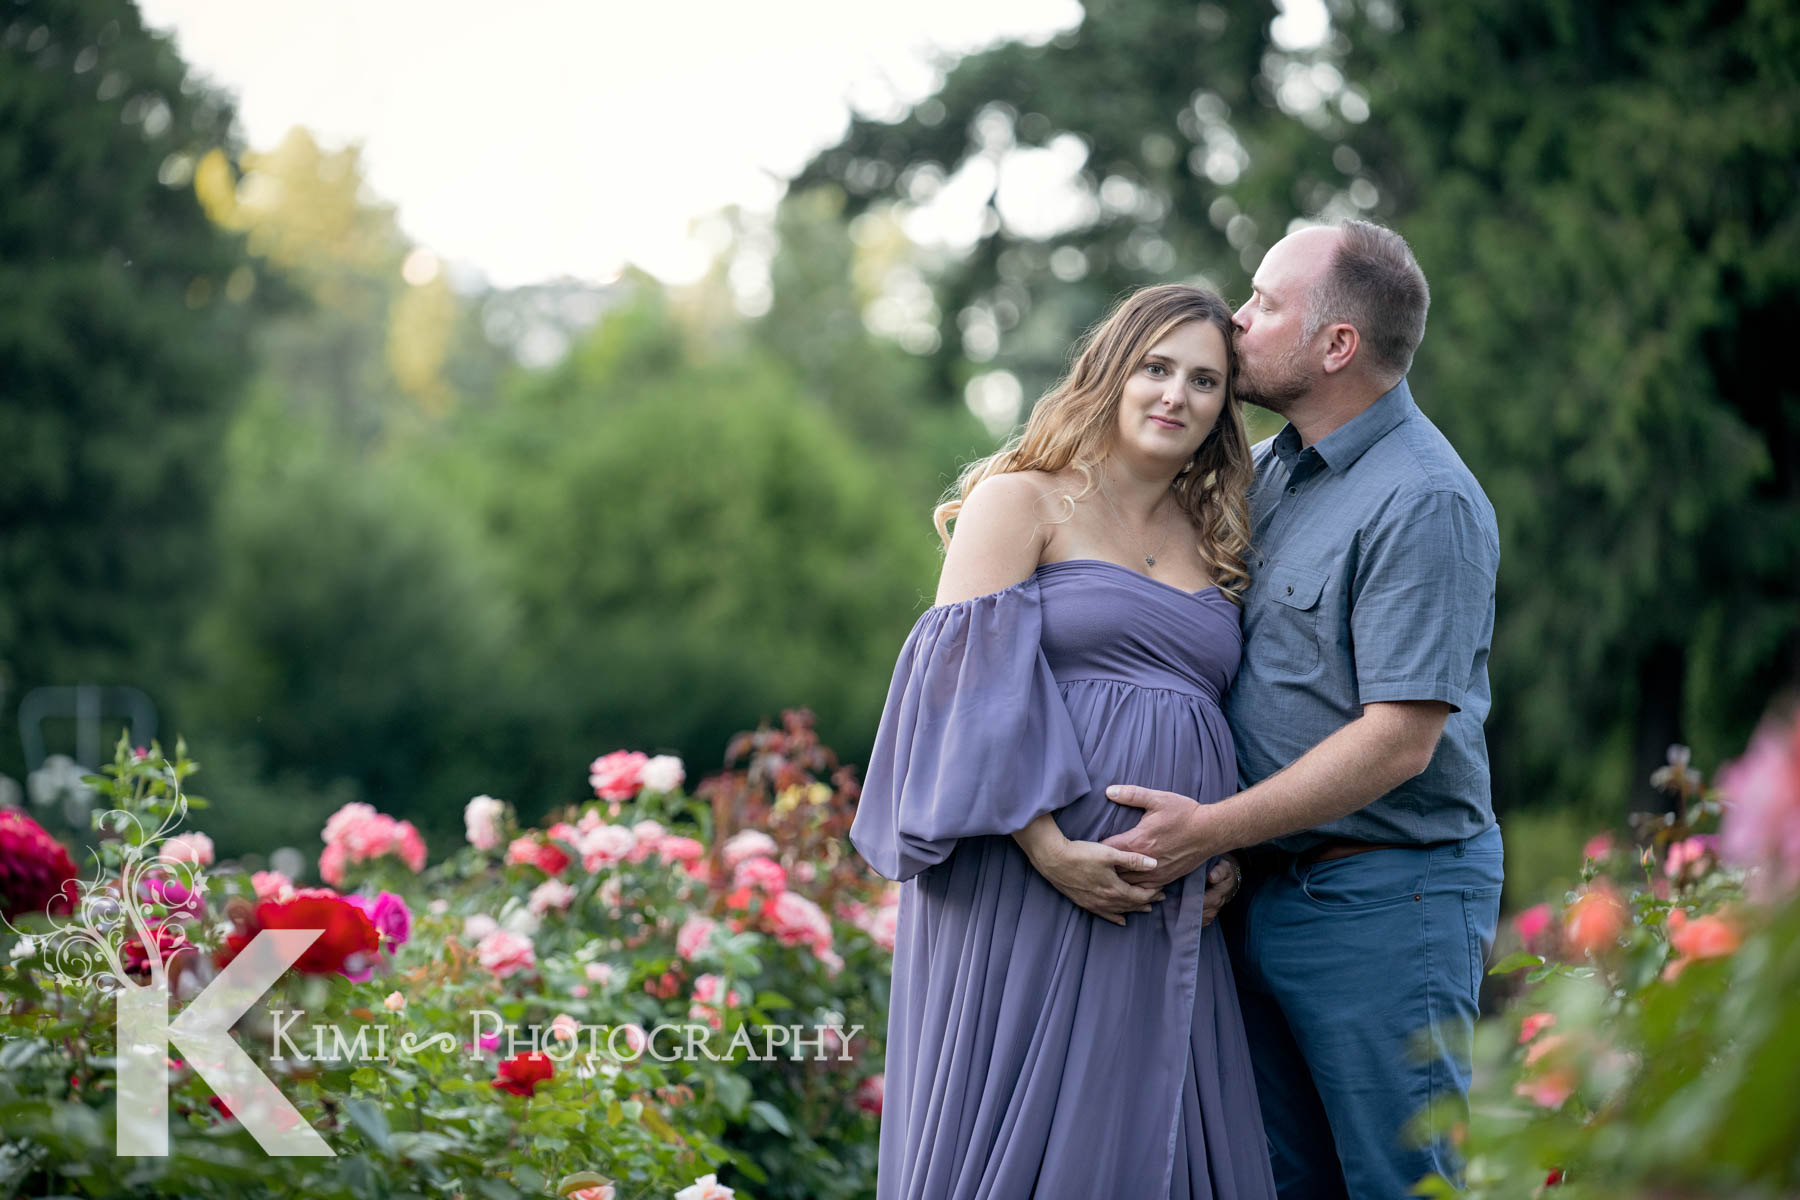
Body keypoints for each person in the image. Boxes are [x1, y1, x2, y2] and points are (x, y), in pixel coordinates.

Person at [1101, 220, 1503, 1198]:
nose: (1237, 318)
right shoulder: (1276, 468)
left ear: (1336, 347)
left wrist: (1209, 831)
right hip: (1267, 896)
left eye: (1266, 303)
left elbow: (1398, 742)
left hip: (1386, 902)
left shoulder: (1424, 498)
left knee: (1403, 1182)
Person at [849, 284, 1277, 1200]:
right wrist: (1051, 851)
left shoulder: (1220, 538)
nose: (1176, 395)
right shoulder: (1022, 500)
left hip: (1164, 892)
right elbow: (956, 693)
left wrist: (1224, 847)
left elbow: (1228, 718)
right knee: (1012, 1137)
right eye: (1156, 368)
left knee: (1151, 1132)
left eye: (1205, 381)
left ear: (1223, 410)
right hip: (1022, 876)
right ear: (1113, 372)